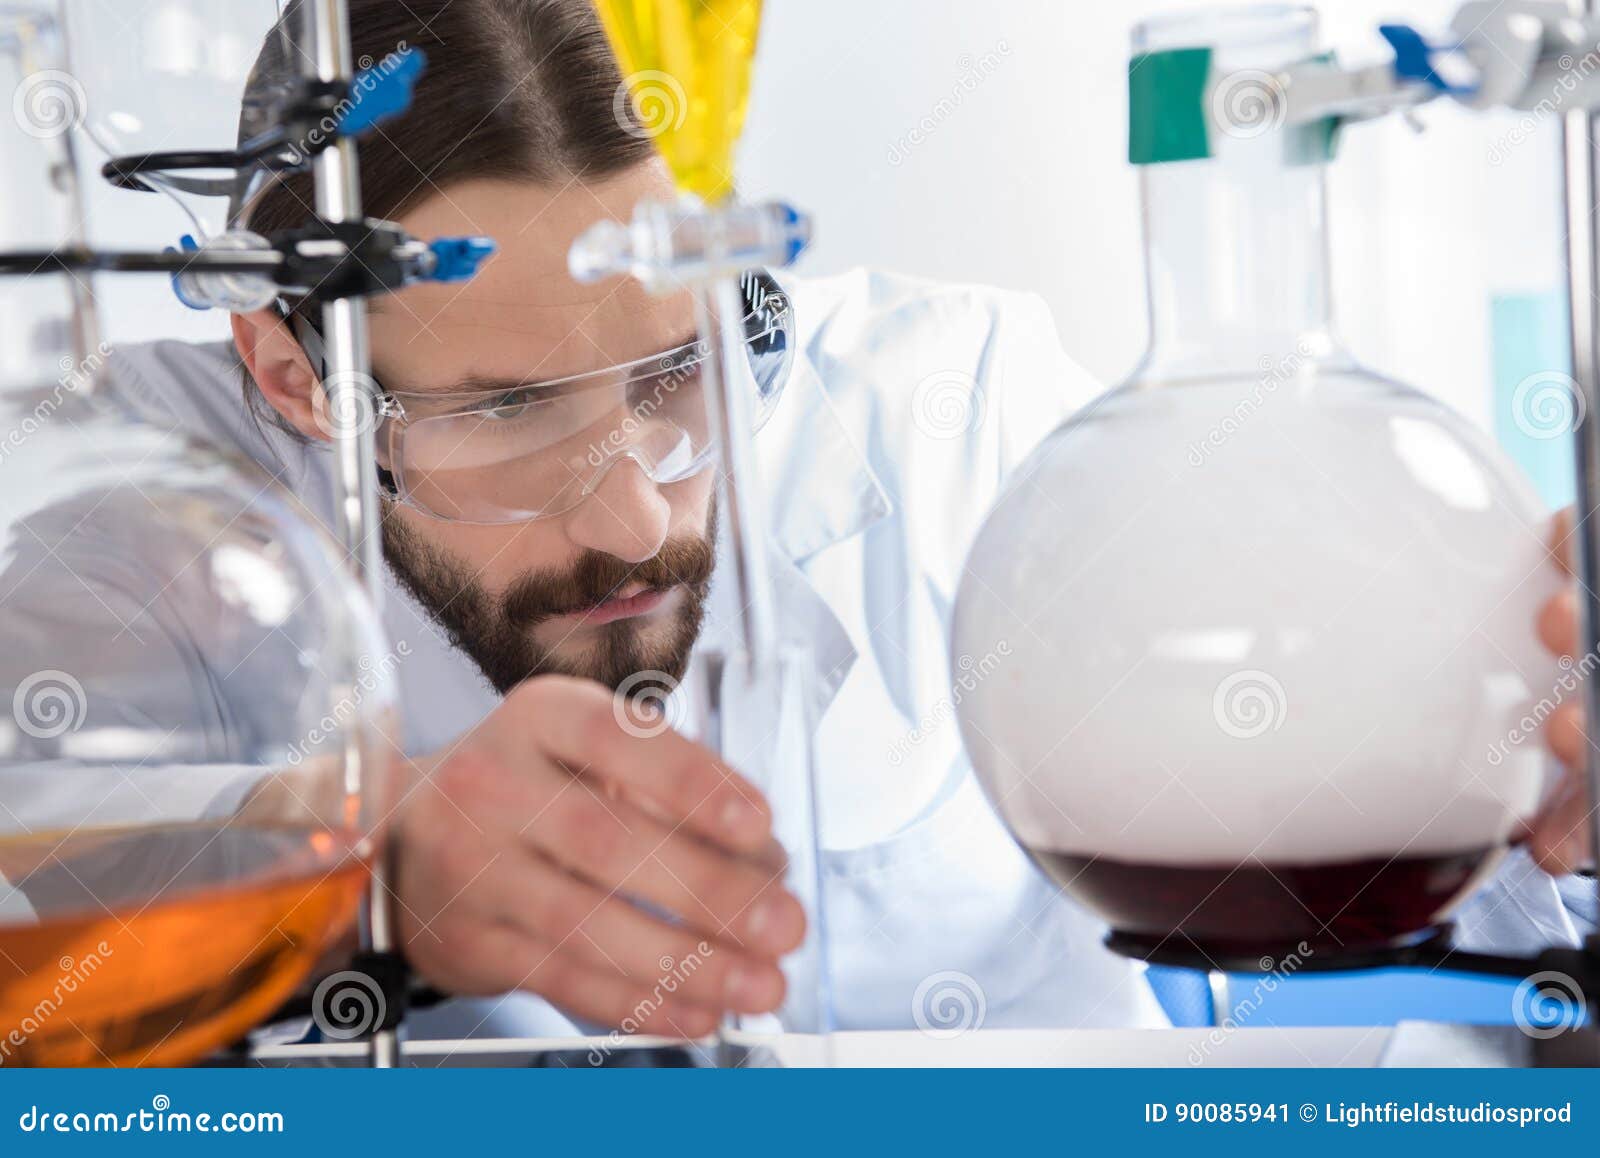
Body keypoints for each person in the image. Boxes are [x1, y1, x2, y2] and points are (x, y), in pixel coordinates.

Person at [83, 0, 1597, 1040]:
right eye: (502, 410)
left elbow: (1410, 878)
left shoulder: (964, 414)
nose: (634, 508)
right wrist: (353, 882)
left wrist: (1552, 794)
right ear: (294, 373)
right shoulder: (148, 489)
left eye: (675, 370)